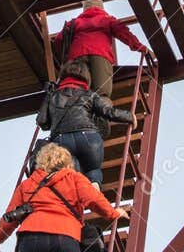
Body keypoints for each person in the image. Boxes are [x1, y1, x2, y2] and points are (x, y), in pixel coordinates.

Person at [41, 57, 134, 185]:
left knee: (73, 175)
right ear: (86, 76)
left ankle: (77, 197)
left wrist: (48, 97)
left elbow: (43, 122)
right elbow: (108, 112)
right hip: (89, 138)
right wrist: (129, 116)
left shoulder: (53, 95)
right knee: (93, 170)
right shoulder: (89, 94)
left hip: (62, 140)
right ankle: (94, 189)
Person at [55, 0, 149, 101]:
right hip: (101, 56)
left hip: (77, 57)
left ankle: (78, 112)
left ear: (84, 9)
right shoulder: (107, 19)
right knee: (102, 93)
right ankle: (101, 115)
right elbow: (124, 33)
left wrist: (64, 60)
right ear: (101, 7)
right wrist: (139, 47)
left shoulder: (74, 22)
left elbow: (59, 40)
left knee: (77, 90)